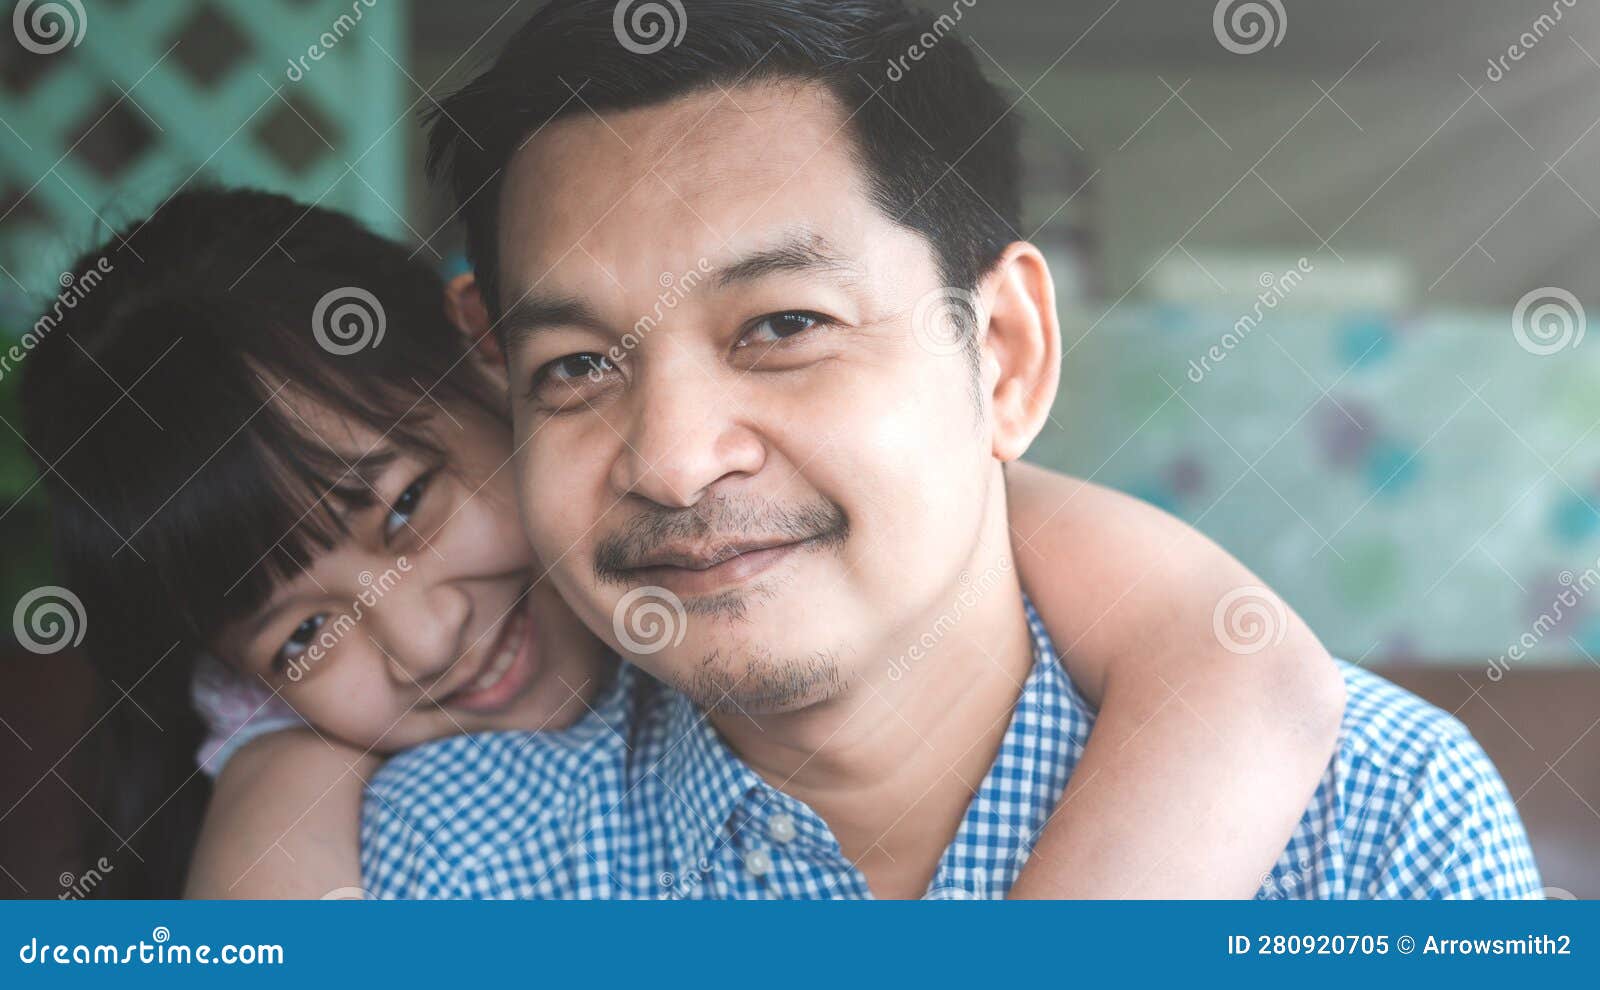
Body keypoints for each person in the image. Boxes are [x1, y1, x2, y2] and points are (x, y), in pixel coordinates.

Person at [361, 0, 1541, 898]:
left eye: (782, 327)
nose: (670, 461)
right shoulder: (442, 861)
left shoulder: (1371, 827)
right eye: (576, 367)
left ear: (1007, 355)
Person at [23, 187, 1339, 900]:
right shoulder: (340, 795)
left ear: (497, 370)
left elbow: (1245, 671)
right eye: (303, 629)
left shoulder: (879, 509)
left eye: (407, 507)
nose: (425, 637)